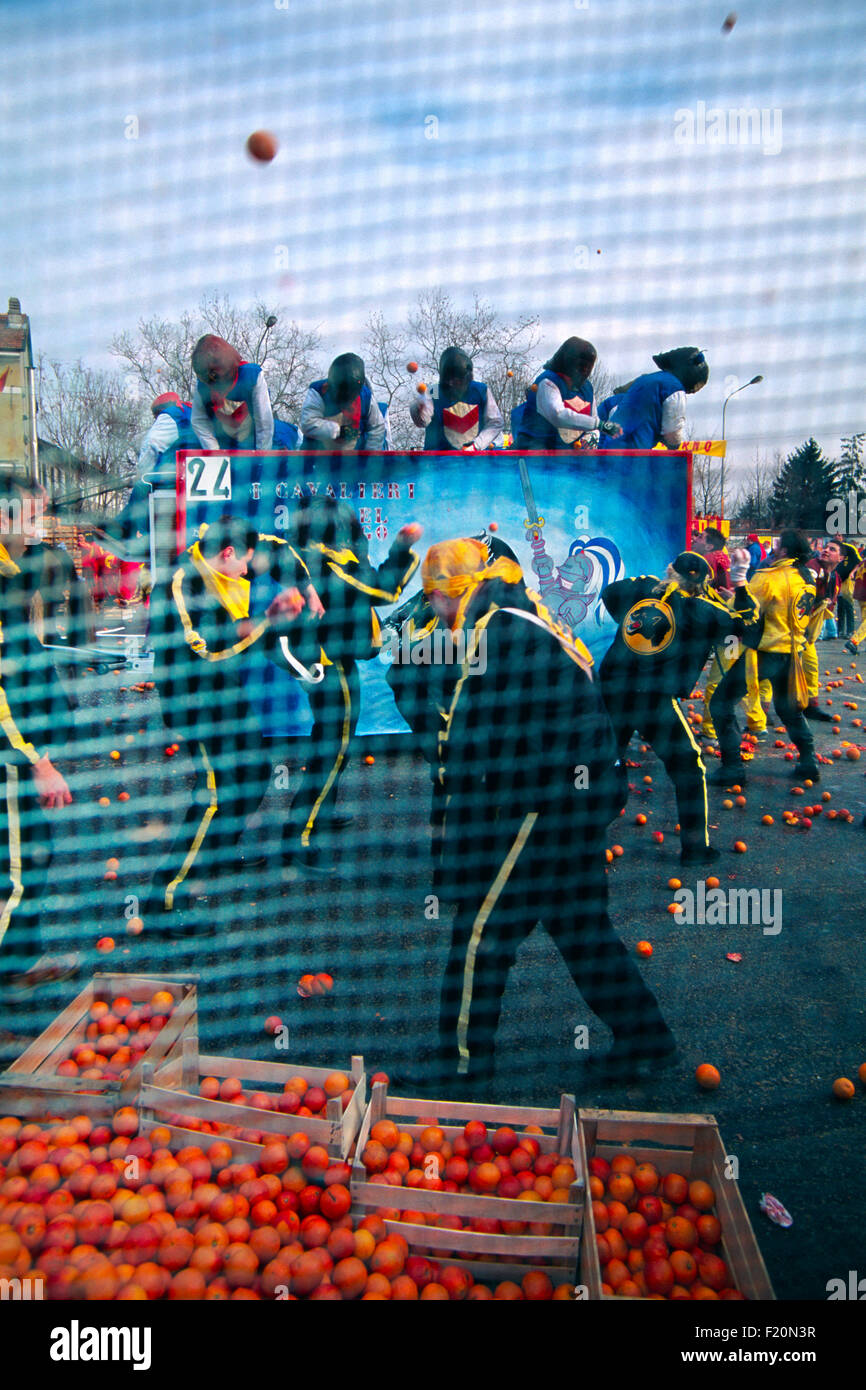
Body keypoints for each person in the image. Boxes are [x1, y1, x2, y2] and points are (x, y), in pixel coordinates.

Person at [405, 537, 673, 1094]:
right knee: (582, 928)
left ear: (455, 591)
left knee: (481, 930)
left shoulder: (494, 633)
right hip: (580, 790)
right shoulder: (518, 616)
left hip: (548, 798)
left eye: (433, 598)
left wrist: (411, 695)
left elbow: (459, 737)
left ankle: (461, 1066)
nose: (432, 610)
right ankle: (646, 1038)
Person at [144, 515, 320, 927]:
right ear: (227, 554)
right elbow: (204, 648)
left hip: (224, 690)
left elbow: (278, 549)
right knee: (216, 793)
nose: (248, 570)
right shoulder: (181, 582)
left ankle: (213, 856)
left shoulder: (223, 554)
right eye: (243, 563)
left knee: (256, 771)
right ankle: (165, 899)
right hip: (194, 699)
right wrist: (268, 618)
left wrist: (308, 592)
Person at [278, 498, 421, 876]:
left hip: (329, 661)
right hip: (328, 665)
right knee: (333, 746)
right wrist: (401, 551)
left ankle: (319, 813)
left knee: (332, 740)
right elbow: (383, 590)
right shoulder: (328, 564)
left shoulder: (311, 559)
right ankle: (299, 834)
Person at [600, 549, 761, 862]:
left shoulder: (643, 587)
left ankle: (577, 834)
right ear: (700, 584)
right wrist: (740, 585)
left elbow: (609, 594)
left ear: (670, 569)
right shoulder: (701, 608)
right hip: (653, 698)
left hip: (612, 690)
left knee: (602, 760)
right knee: (688, 765)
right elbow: (750, 630)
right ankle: (694, 848)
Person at [0, 473, 77, 991]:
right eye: (29, 514)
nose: (37, 525)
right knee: (16, 877)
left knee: (33, 859)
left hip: (25, 750)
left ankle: (16, 965)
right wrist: (36, 761)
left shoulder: (10, 572)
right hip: (12, 758)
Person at [709, 530, 819, 783]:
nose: (773, 549)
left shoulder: (769, 576)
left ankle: (732, 768)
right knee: (788, 710)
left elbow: (748, 611)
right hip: (792, 654)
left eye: (777, 545)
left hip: (764, 654)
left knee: (721, 703)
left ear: (784, 551)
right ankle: (808, 761)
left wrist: (734, 594)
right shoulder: (807, 576)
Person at [516, 337, 622, 450]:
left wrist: (592, 436)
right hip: (533, 454)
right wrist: (599, 425)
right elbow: (558, 415)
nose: (585, 370)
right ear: (568, 362)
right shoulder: (547, 382)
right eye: (581, 365)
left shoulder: (587, 389)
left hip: (566, 458)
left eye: (588, 366)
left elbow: (593, 418)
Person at [597, 348, 709, 451]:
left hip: (610, 450)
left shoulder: (645, 380)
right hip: (634, 455)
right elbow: (672, 434)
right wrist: (673, 444)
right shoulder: (674, 388)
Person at [409, 348, 503, 452]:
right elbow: (422, 422)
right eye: (451, 380)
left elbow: (495, 422)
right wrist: (418, 409)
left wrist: (476, 445)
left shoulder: (480, 391)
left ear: (467, 377)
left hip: (473, 461)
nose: (454, 384)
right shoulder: (434, 391)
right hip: (437, 460)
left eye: (458, 380)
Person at [191, 335, 274, 452]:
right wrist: (215, 453)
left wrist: (262, 456)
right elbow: (198, 420)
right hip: (224, 444)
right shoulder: (202, 386)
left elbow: (264, 421)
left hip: (252, 442)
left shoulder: (252, 376)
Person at [299, 354, 386, 451]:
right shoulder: (318, 392)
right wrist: (338, 431)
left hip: (353, 459)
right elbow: (307, 424)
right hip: (317, 457)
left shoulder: (366, 397)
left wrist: (369, 459)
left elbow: (377, 428)